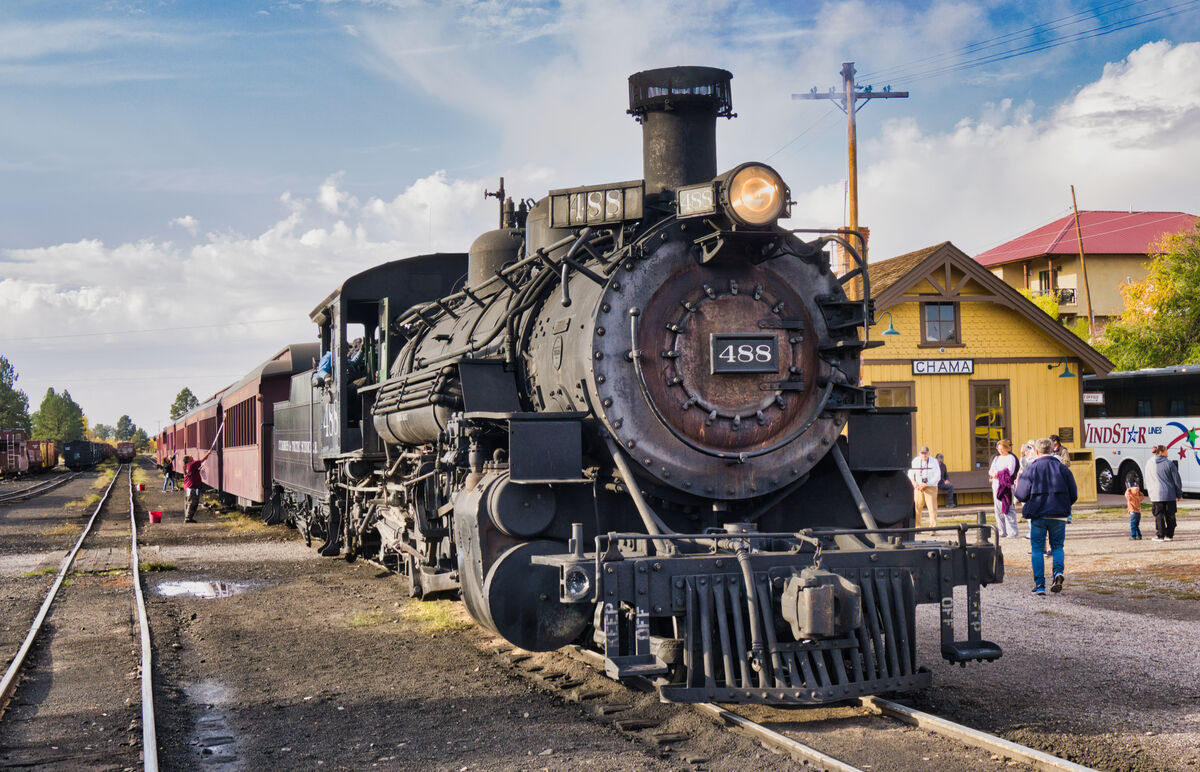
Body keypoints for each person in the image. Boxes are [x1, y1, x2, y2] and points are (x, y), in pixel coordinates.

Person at [1014, 437, 1077, 595]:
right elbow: (1074, 494)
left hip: (1038, 514)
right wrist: (1064, 503)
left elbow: (1021, 494)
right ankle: (1057, 573)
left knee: (1037, 549)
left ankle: (1040, 585)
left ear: (1036, 451)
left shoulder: (1031, 469)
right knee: (1057, 546)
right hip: (1058, 514)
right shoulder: (1063, 469)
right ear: (1052, 449)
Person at [1145, 445, 1182, 541]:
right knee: (1170, 515)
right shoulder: (1169, 463)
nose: (1167, 453)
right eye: (1166, 451)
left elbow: (1147, 479)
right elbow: (1176, 479)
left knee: (1159, 515)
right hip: (1169, 494)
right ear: (1161, 452)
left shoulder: (1149, 463)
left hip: (1156, 494)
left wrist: (1150, 492)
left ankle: (1160, 535)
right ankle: (1169, 535)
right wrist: (1179, 493)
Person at [988, 439, 1019, 538]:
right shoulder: (996, 458)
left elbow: (1010, 471)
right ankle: (1002, 531)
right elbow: (991, 470)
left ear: (1007, 448)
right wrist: (993, 474)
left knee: (1008, 507)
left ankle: (1012, 532)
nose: (1000, 451)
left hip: (1006, 485)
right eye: (999, 449)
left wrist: (998, 474)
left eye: (1002, 449)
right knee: (998, 508)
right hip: (996, 484)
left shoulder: (1011, 458)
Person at [908, 445, 941, 528]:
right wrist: (914, 482)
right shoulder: (915, 461)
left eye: (925, 454)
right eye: (922, 454)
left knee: (932, 508)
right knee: (917, 508)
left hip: (931, 487)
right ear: (919, 454)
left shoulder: (934, 461)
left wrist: (927, 484)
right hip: (918, 487)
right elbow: (910, 473)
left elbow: (937, 476)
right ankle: (917, 527)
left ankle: (932, 528)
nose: (924, 456)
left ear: (929, 453)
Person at [182, 448, 213, 523]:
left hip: (188, 487)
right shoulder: (191, 464)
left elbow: (193, 472)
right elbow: (201, 460)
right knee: (193, 503)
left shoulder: (187, 466)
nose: (192, 456)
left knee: (188, 502)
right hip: (192, 487)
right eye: (190, 457)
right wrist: (208, 453)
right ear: (188, 460)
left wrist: (198, 470)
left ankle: (188, 517)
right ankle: (188, 518)